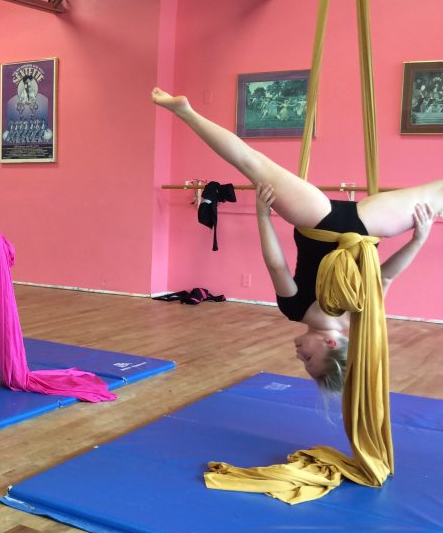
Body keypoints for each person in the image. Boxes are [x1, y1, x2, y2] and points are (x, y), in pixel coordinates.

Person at [153, 87, 437, 391]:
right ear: (329, 343)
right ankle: (185, 111)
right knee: (251, 163)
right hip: (319, 221)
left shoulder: (359, 318)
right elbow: (276, 264)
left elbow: (385, 276)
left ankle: (185, 111)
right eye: (309, 360)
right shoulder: (299, 310)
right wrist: (264, 216)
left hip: (367, 226)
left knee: (438, 196)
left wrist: (416, 240)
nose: (299, 356)